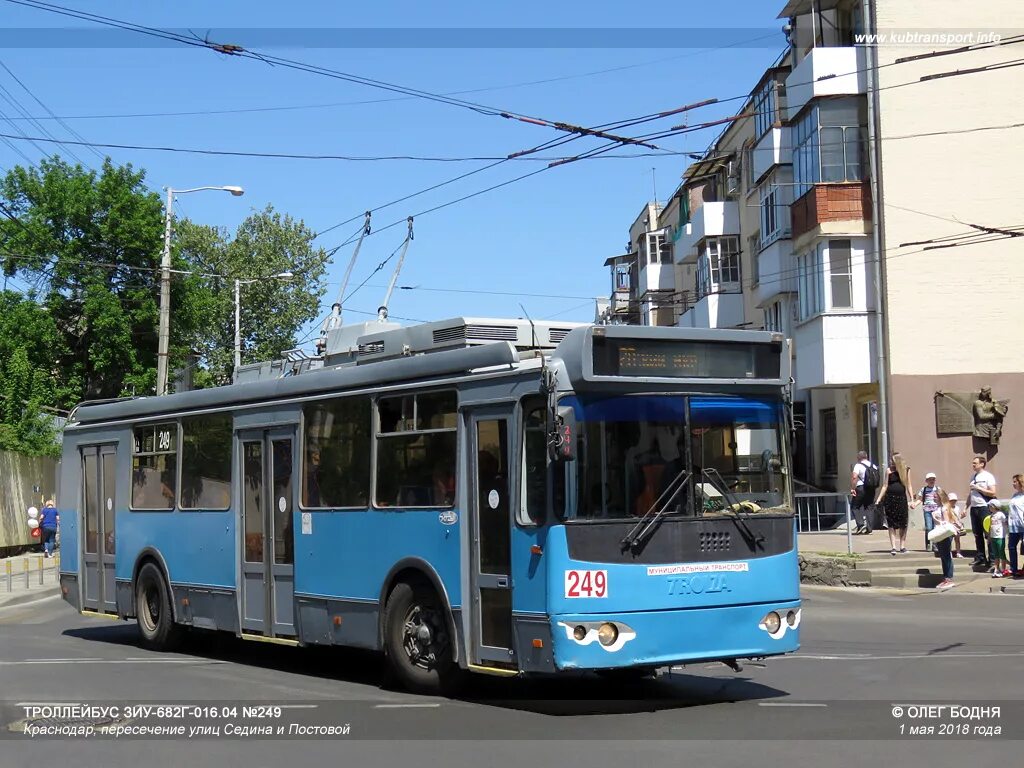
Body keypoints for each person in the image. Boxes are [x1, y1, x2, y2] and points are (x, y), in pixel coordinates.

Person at [875, 459, 912, 555]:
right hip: (890, 499)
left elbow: (909, 485)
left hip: (901, 499)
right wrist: (879, 498)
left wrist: (912, 499)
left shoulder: (906, 470)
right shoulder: (888, 471)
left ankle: (902, 546)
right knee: (891, 523)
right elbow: (885, 485)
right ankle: (893, 547)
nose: (891, 462)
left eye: (892, 460)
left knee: (903, 523)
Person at [966, 455, 997, 568]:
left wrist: (979, 488)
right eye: (973, 463)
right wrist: (966, 507)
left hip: (985, 507)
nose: (973, 465)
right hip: (974, 508)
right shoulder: (973, 477)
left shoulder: (988, 476)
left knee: (988, 533)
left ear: (982, 464)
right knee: (977, 534)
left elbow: (993, 492)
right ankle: (980, 557)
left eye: (975, 463)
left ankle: (993, 559)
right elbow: (971, 494)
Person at [992, 475, 1024, 577]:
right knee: (1011, 547)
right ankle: (1013, 569)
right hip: (1013, 526)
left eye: (1015, 482)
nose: (1013, 483)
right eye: (1013, 481)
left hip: (1022, 525)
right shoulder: (1015, 495)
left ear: (1020, 482)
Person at [933, 497, 963, 591]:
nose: (933, 497)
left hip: (945, 533)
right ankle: (946, 578)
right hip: (940, 532)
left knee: (946, 555)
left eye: (935, 496)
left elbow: (946, 522)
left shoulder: (944, 508)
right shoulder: (939, 507)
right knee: (943, 555)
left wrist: (935, 518)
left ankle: (949, 579)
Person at [912, 472, 944, 553]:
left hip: (936, 510)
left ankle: (935, 544)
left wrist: (940, 501)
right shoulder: (924, 489)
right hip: (927, 510)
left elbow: (943, 498)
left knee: (936, 528)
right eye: (930, 479)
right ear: (926, 481)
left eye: (933, 479)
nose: (932, 481)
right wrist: (915, 504)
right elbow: (920, 499)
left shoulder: (937, 489)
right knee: (929, 527)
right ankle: (928, 543)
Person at [849, 450, 878, 534]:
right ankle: (869, 528)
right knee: (869, 507)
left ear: (858, 457)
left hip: (861, 488)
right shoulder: (873, 466)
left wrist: (852, 488)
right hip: (871, 489)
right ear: (866, 457)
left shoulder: (858, 465)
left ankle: (861, 525)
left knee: (855, 506)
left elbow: (854, 477)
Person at [987, 498, 1009, 577]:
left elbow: (1006, 523)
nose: (989, 508)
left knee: (1001, 553)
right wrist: (989, 537)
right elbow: (990, 527)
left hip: (1000, 536)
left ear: (994, 506)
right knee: (996, 554)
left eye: (990, 506)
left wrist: (1007, 532)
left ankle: (1003, 569)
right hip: (993, 537)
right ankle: (997, 569)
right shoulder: (991, 516)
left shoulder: (1001, 514)